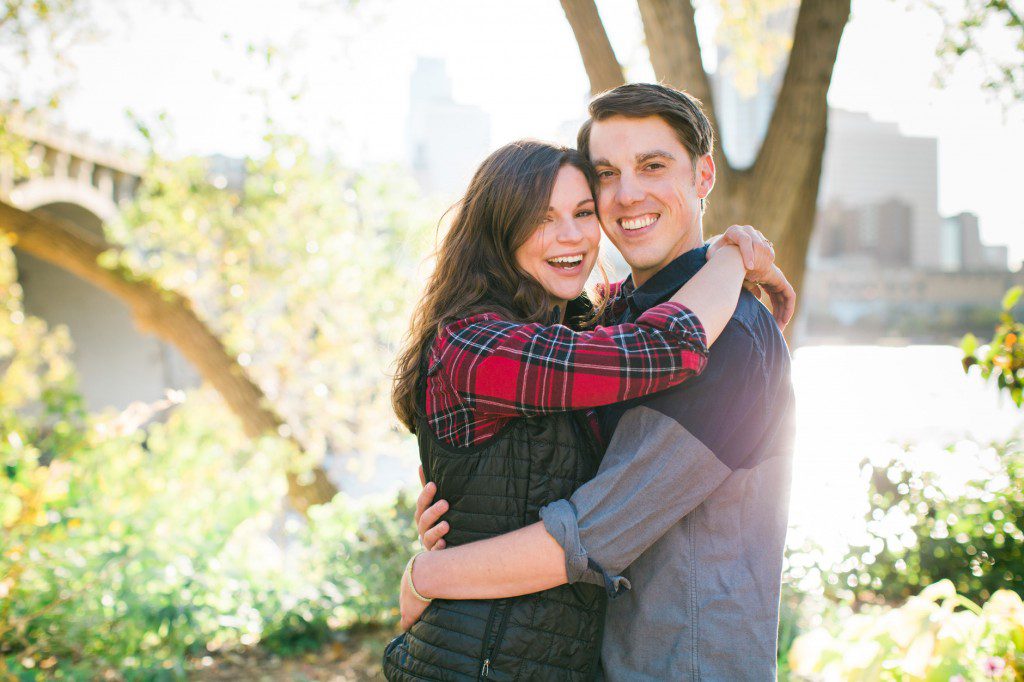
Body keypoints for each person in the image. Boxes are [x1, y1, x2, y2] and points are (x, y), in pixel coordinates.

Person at [407, 83, 798, 681]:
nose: (627, 194)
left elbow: (593, 535)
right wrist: (470, 500)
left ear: (704, 175)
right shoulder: (606, 323)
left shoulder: (731, 337)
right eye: (607, 174)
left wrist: (427, 576)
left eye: (653, 166)